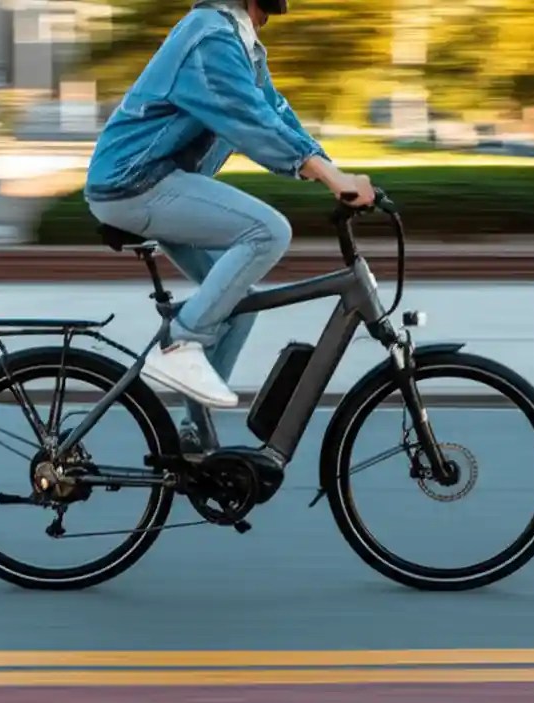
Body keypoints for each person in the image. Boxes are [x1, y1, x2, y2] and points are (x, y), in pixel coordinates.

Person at [84, 0, 374, 421]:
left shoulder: (240, 42)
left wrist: (336, 175)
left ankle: (194, 437)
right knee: (268, 232)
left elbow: (275, 113)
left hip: (156, 181)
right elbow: (250, 120)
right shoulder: (211, 38)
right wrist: (333, 179)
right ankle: (179, 344)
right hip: (135, 182)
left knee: (238, 302)